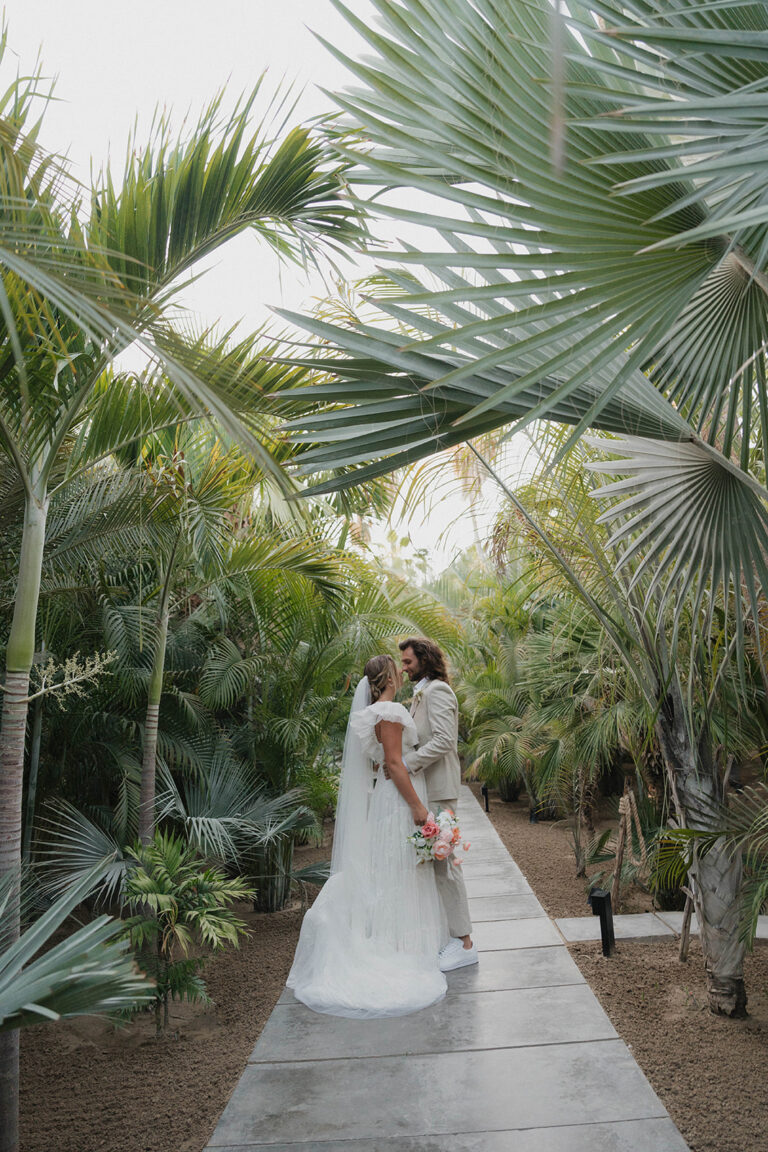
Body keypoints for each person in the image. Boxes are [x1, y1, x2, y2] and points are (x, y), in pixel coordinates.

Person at [286, 654, 448, 1017]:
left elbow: (382, 763)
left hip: (389, 797)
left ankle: (400, 939)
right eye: (398, 667)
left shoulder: (376, 712)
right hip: (400, 801)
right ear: (389, 675)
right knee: (400, 873)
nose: (403, 671)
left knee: (395, 871)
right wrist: (419, 809)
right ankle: (400, 946)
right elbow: (392, 763)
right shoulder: (388, 712)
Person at [398, 636, 478, 972]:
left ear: (424, 659)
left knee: (447, 865)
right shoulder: (420, 695)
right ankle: (448, 937)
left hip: (439, 791)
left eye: (408, 661)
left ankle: (464, 942)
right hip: (425, 789)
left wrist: (408, 763)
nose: (404, 667)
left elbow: (445, 740)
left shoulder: (438, 692)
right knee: (434, 865)